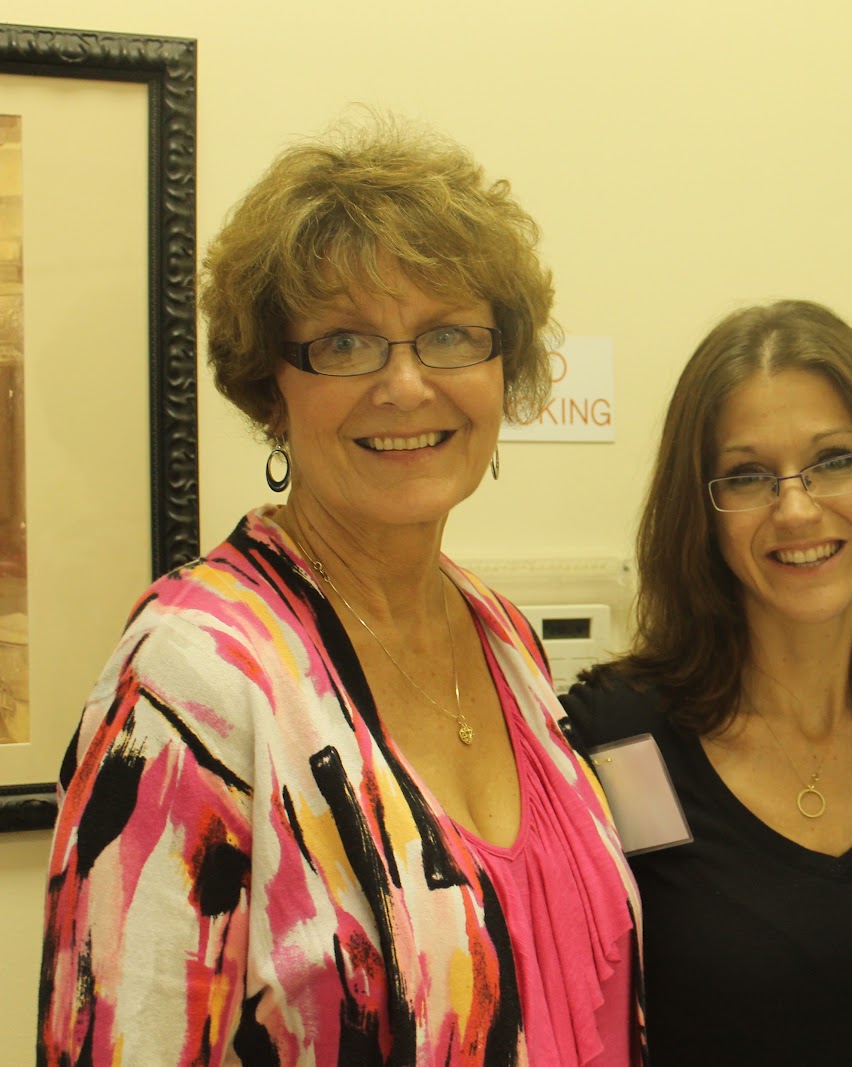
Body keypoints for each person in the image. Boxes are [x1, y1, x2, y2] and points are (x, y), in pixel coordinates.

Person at [38, 118, 641, 1065]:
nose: (406, 385)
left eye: (449, 335)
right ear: (271, 389)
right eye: (347, 342)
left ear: (502, 367)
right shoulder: (193, 677)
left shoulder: (499, 632)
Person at [561, 300, 852, 1066]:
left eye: (834, 460)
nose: (796, 508)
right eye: (747, 475)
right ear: (703, 513)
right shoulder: (622, 737)